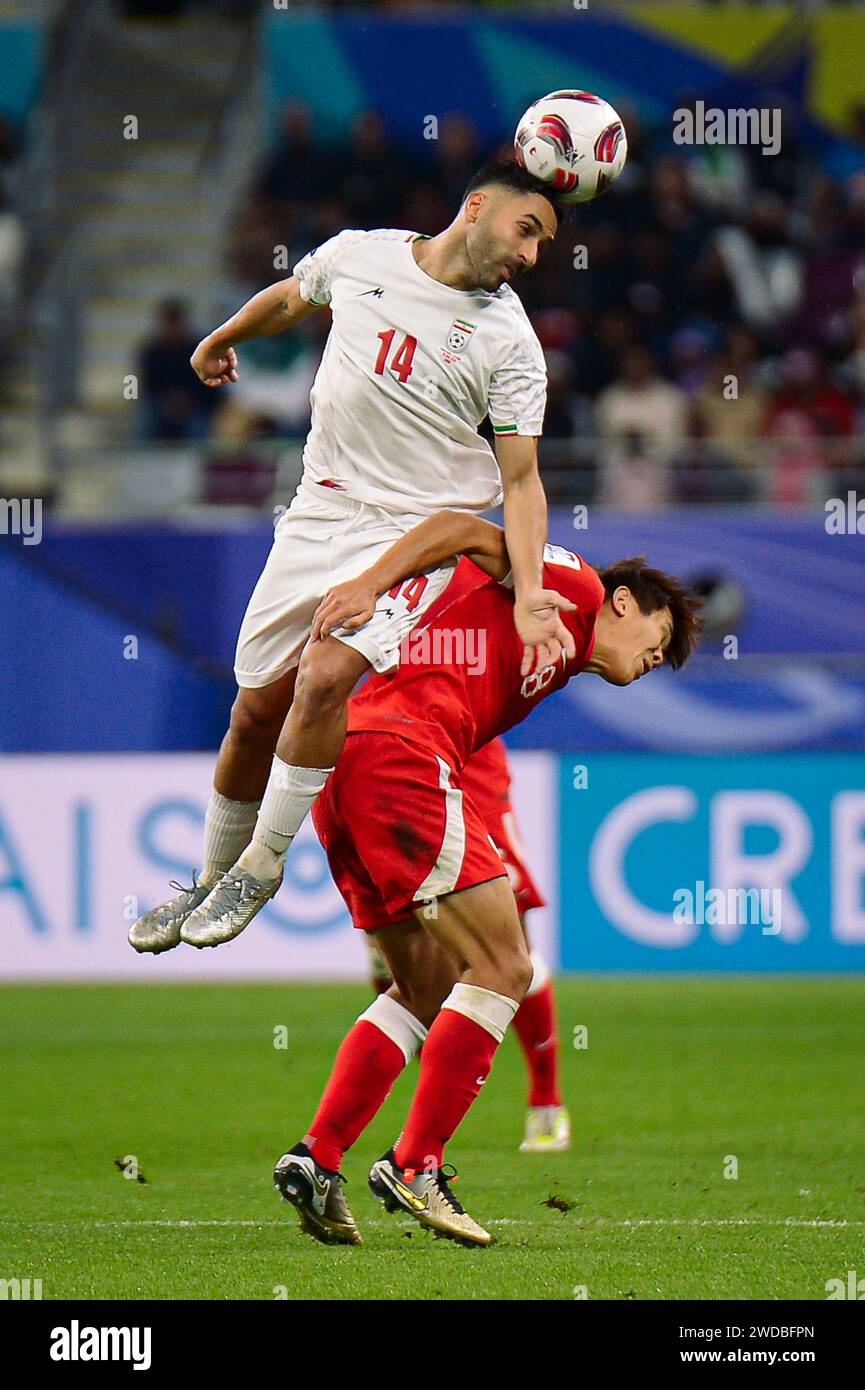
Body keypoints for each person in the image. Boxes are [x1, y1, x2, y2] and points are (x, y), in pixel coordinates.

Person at [128, 161, 577, 954]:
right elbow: (294, 297)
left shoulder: (511, 342)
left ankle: (259, 871)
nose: (532, 255)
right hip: (318, 511)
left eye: (542, 242)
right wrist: (224, 336)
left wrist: (531, 590)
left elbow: (522, 480)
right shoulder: (361, 255)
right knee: (253, 711)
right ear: (476, 209)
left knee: (327, 674)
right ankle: (207, 878)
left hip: (411, 533)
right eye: (527, 230)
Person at [269, 508, 701, 1246]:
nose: (657, 658)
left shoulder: (555, 654)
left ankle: (317, 1157)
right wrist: (372, 584)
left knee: (426, 986)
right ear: (625, 604)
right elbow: (462, 528)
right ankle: (417, 1164)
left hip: (347, 764)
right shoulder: (575, 587)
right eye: (660, 640)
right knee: (505, 963)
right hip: (399, 757)